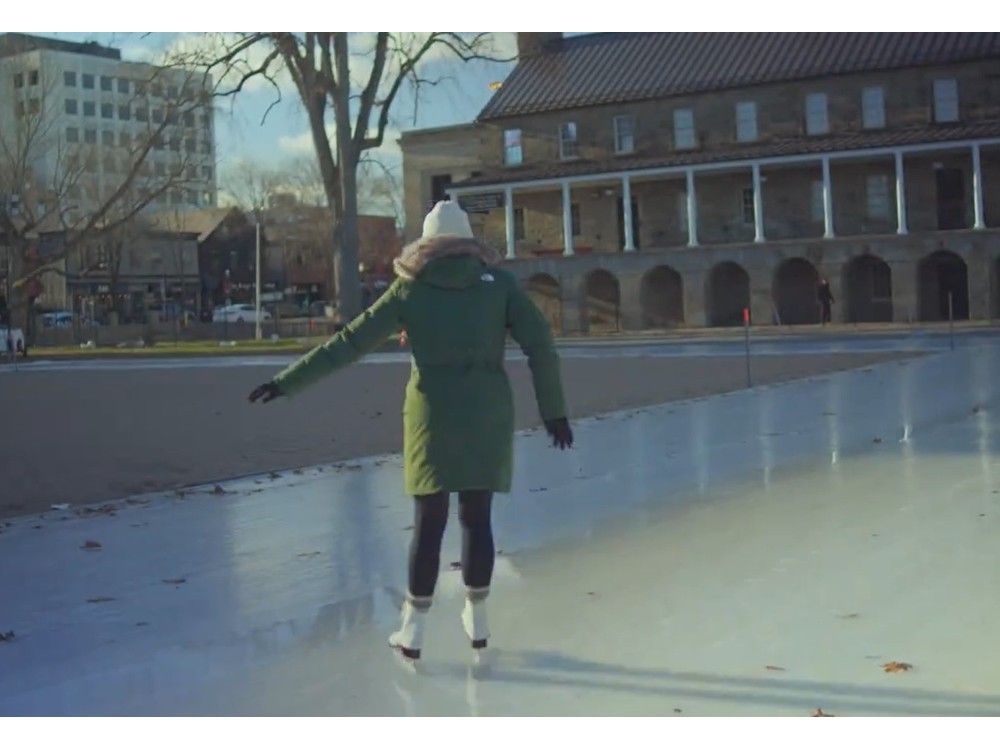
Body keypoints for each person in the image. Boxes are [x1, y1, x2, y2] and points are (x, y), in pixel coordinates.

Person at [248, 200, 573, 664]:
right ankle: (478, 619)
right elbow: (541, 345)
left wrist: (287, 382)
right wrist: (554, 412)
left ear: (426, 243)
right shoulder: (499, 286)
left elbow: (351, 342)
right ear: (469, 241)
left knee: (429, 521)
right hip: (486, 412)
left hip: (431, 415)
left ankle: (413, 630)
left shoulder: (410, 290)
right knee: (476, 517)